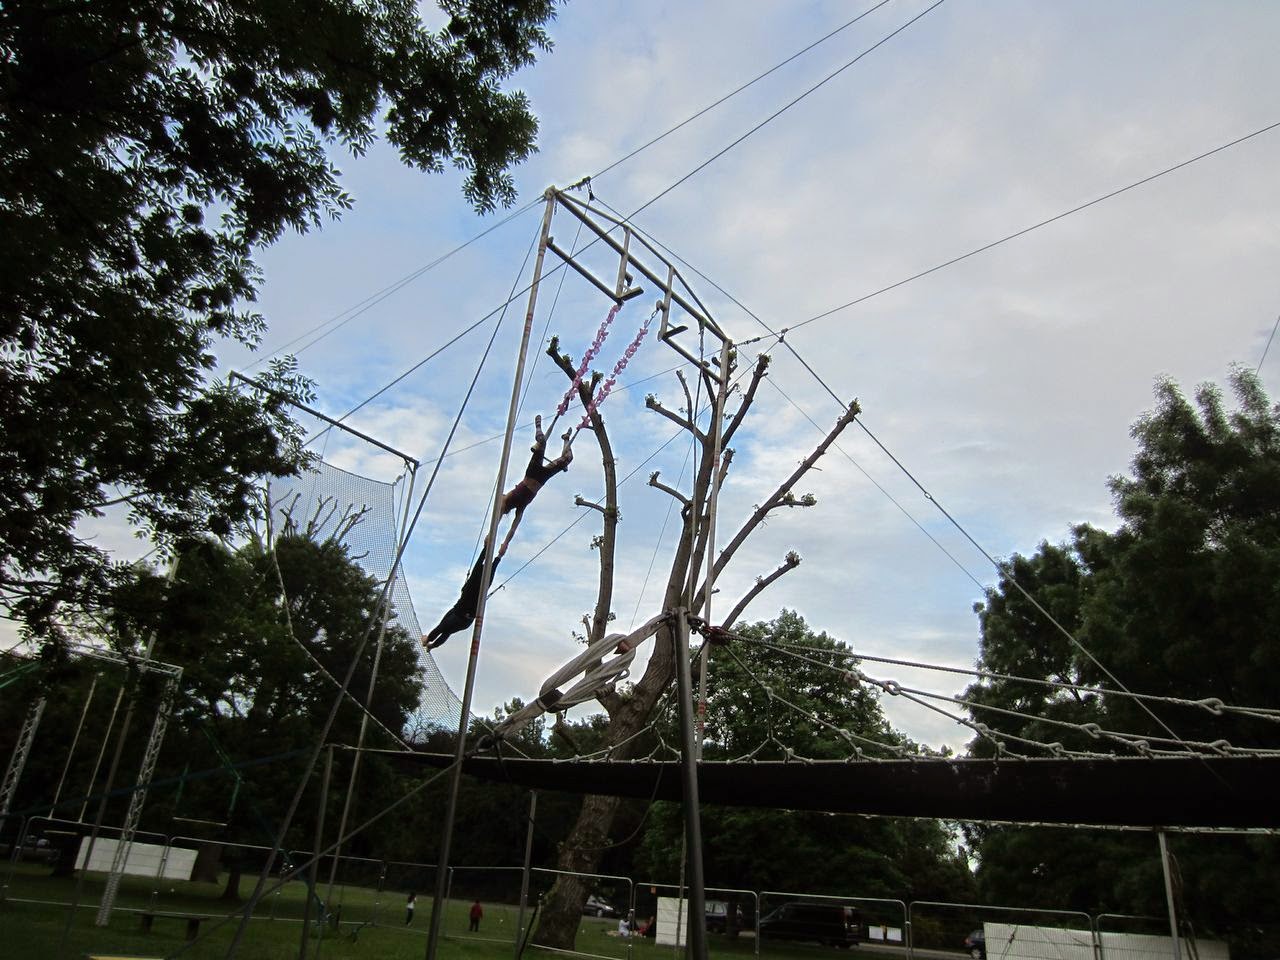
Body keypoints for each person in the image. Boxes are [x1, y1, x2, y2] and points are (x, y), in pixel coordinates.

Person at [497, 415, 573, 554]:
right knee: (568, 458)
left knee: (542, 441)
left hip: (532, 473)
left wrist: (492, 535)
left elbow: (498, 520)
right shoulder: (520, 508)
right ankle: (566, 438)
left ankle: (538, 427)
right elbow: (513, 529)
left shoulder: (508, 497)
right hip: (543, 478)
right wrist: (505, 545)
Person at [422, 550, 502, 650]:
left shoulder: (475, 577)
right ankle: (432, 645)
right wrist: (499, 556)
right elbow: (493, 566)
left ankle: (427, 640)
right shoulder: (486, 582)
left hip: (459, 613)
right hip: (466, 619)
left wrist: (486, 546)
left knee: (442, 627)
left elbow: (481, 559)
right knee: (447, 631)